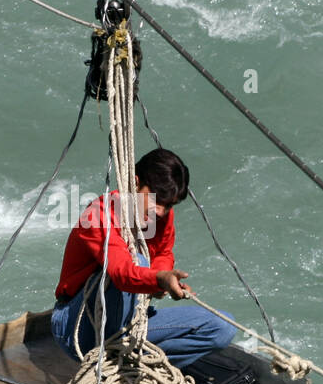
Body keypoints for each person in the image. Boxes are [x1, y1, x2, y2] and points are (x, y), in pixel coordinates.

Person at [51, 149, 236, 370]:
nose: (161, 211)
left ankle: (136, 363)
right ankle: (121, 356)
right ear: (135, 182)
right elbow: (121, 273)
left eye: (169, 205)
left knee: (222, 327)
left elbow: (163, 253)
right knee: (137, 260)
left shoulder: (161, 215)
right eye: (158, 199)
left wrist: (161, 281)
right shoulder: (98, 216)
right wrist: (157, 278)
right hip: (78, 328)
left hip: (131, 321)